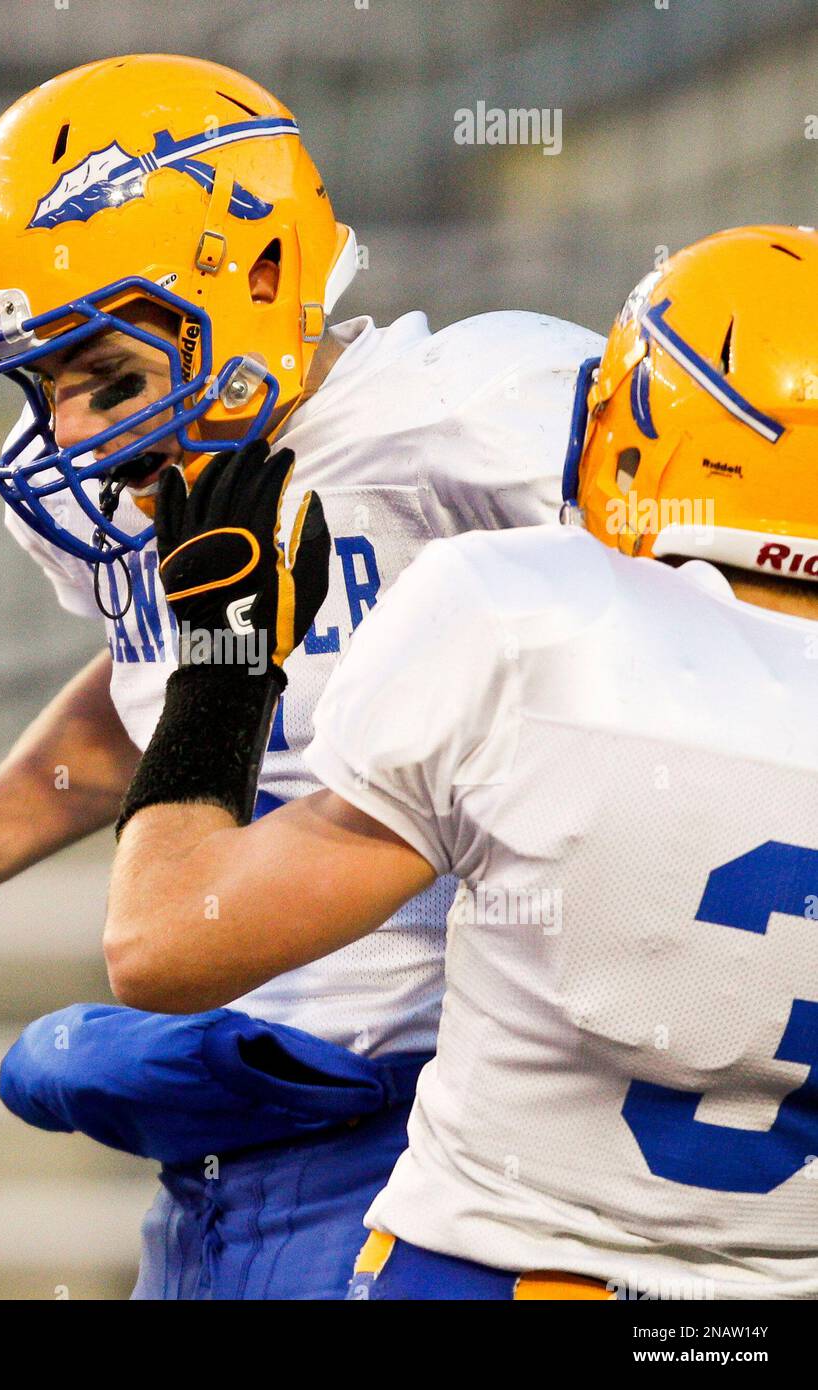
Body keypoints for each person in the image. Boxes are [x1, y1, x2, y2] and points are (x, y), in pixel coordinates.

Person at [0, 52, 601, 1299]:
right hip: (221, 1156)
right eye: (46, 385)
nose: (74, 438)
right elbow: (148, 686)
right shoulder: (127, 489)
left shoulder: (483, 425)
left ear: (261, 276)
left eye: (110, 376)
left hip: (443, 1140)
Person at [106, 223, 818, 1299]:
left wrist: (223, 664)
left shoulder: (521, 612)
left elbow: (166, 939)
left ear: (645, 433)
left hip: (485, 1272)